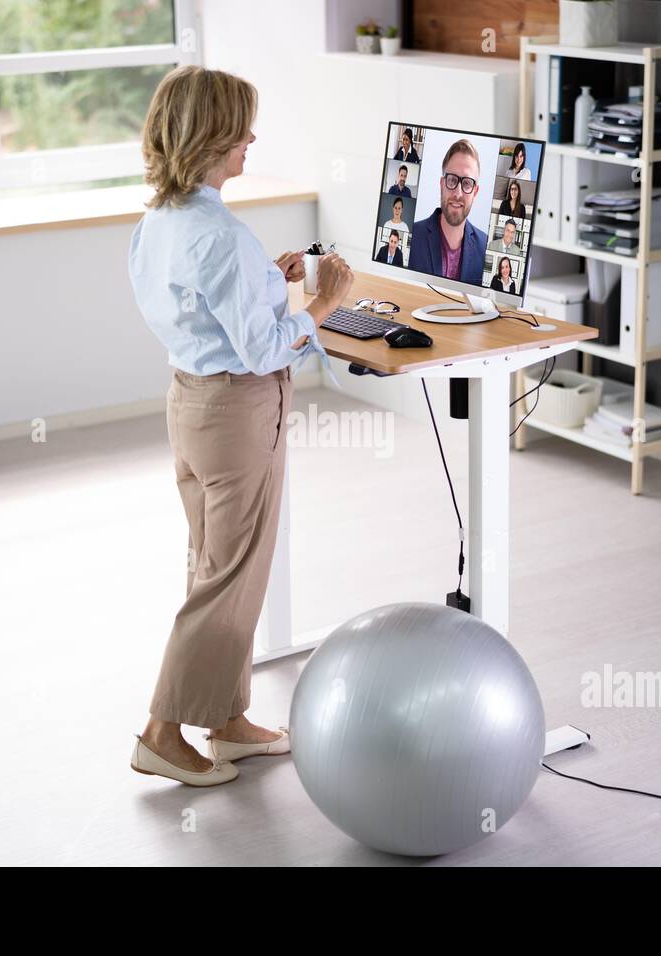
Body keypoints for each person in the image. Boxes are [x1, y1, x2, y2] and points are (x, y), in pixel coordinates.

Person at [127, 66, 354, 787]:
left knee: (215, 565)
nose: (252, 138)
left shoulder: (161, 220)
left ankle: (225, 721)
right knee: (227, 578)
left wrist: (268, 277)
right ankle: (162, 732)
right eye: (242, 128)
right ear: (212, 136)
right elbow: (259, 347)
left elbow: (200, 307)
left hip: (192, 405)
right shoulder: (219, 232)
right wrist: (321, 305)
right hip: (238, 411)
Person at [407, 139, 487, 285]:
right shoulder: (411, 236)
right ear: (442, 184)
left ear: (475, 192)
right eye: (452, 180)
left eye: (467, 183)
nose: (458, 193)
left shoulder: (486, 248)